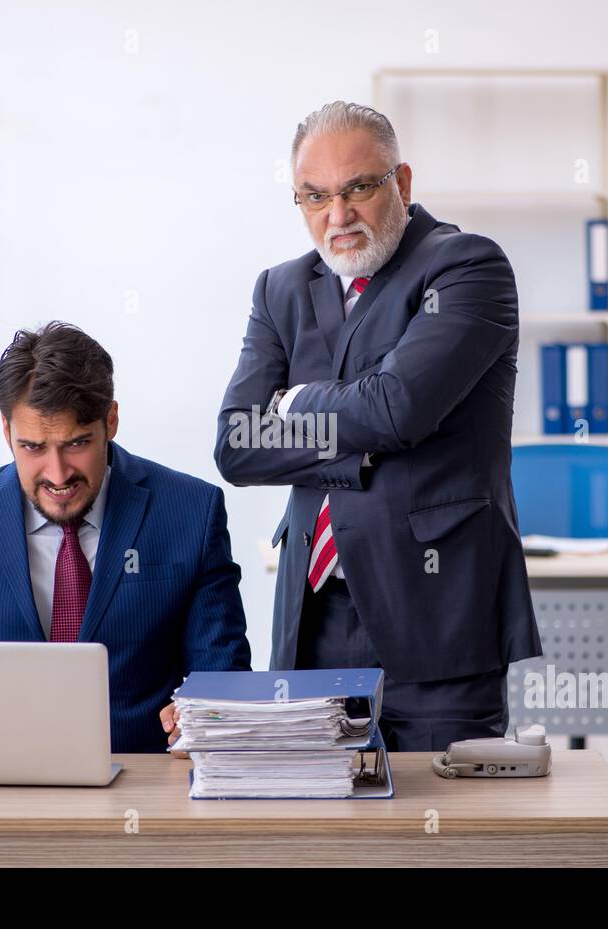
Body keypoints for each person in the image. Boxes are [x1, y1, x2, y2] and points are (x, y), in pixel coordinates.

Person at [215, 101, 541, 751]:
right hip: (314, 622)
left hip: (437, 618)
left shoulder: (466, 267)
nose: (337, 216)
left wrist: (295, 403)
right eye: (314, 195)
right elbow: (237, 445)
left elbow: (399, 407)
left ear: (403, 182)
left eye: (359, 187)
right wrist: (357, 443)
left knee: (440, 836)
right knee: (319, 838)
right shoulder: (280, 289)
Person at [0, 322, 250, 755]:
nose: (58, 474)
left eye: (77, 443)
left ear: (111, 422)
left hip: (144, 788)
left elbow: (222, 677)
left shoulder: (190, 512)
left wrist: (203, 715)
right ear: (6, 432)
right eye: (33, 447)